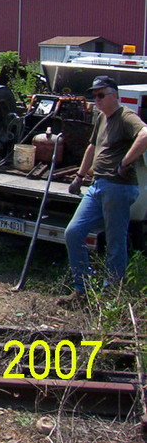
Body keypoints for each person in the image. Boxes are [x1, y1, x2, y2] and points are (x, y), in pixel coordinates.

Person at [59, 75, 147, 306]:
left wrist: (125, 163)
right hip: (97, 185)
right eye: (94, 95)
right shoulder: (101, 118)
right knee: (73, 232)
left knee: (115, 241)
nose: (96, 100)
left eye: (100, 95)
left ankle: (112, 294)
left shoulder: (126, 116)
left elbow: (145, 134)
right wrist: (79, 176)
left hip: (119, 187)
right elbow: (92, 146)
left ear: (114, 95)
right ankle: (82, 290)